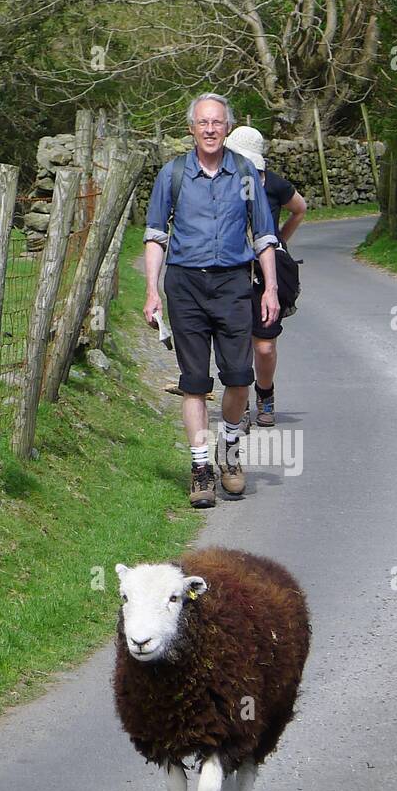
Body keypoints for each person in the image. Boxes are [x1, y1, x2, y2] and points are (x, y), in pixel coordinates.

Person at [143, 93, 281, 509]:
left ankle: (231, 451)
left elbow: (264, 237)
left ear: (228, 128)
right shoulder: (173, 175)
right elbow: (155, 236)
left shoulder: (243, 174)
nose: (209, 129)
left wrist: (270, 288)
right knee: (195, 382)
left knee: (239, 376)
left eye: (217, 123)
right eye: (202, 123)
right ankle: (201, 469)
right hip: (185, 285)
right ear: (191, 128)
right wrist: (152, 290)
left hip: (234, 285)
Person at [225, 126, 306, 427]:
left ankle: (265, 394)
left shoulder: (273, 185)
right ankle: (239, 400)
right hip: (231, 270)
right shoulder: (220, 183)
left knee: (264, 345)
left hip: (265, 273)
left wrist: (279, 242)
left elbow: (300, 209)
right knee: (237, 340)